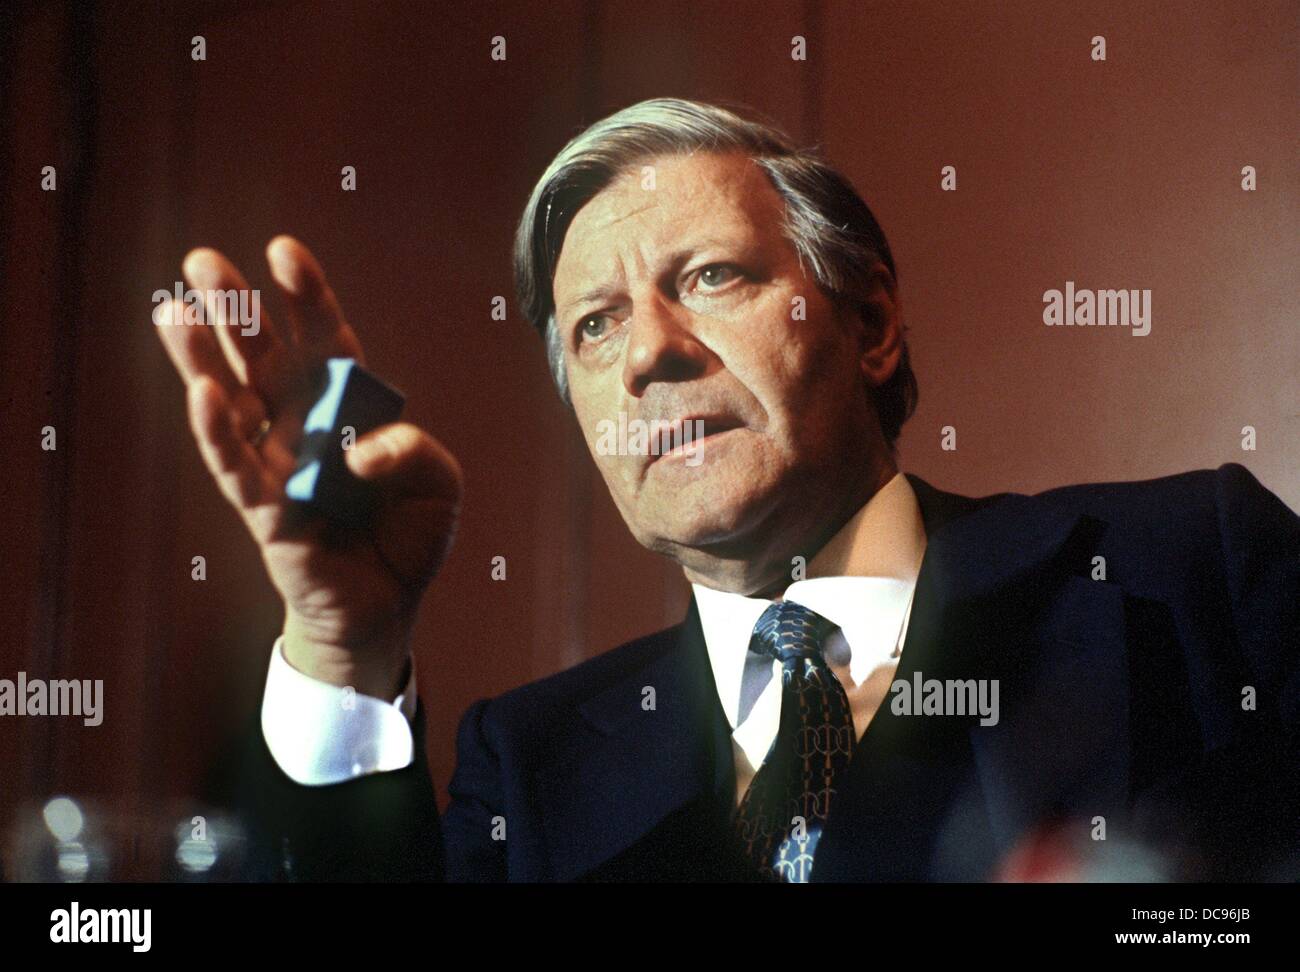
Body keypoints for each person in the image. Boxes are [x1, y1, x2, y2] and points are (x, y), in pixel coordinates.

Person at [155, 98, 1299, 882]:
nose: (648, 352)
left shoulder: (1189, 568)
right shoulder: (533, 767)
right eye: (594, 324)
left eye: (709, 276)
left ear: (872, 324)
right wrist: (343, 644)